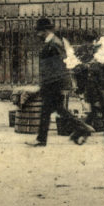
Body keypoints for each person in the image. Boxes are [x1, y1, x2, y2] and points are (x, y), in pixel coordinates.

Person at [29, 17, 91, 147]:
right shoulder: (51, 42)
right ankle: (42, 139)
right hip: (52, 83)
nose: (37, 34)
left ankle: (82, 128)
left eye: (39, 31)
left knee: (55, 110)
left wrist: (49, 84)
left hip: (54, 83)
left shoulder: (54, 43)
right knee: (53, 110)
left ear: (45, 30)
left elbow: (60, 65)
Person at [72, 32, 104, 145]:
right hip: (94, 89)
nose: (93, 44)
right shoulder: (87, 55)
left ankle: (79, 134)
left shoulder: (93, 53)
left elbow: (100, 73)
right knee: (103, 113)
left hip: (97, 88)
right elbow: (90, 73)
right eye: (92, 41)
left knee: (95, 112)